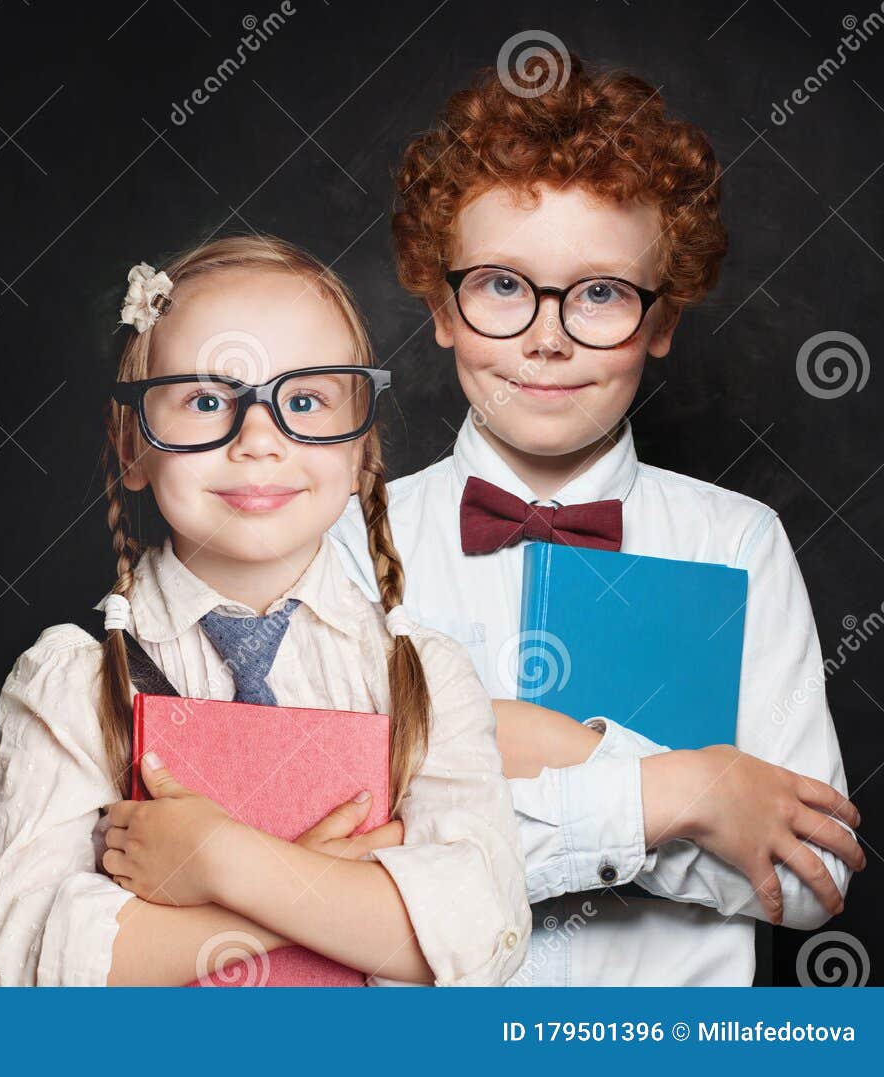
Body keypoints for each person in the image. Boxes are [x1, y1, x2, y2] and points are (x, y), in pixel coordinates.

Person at [329, 54, 864, 986]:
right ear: (439, 304)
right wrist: (685, 794)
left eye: (603, 293)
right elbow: (319, 859)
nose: (547, 335)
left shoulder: (737, 543)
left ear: (662, 321)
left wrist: (465, 820)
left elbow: (804, 876)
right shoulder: (338, 542)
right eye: (502, 284)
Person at [0, 235, 529, 986]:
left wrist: (221, 859)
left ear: (364, 446)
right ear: (133, 443)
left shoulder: (425, 676)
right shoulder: (70, 682)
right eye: (207, 401)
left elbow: (477, 938)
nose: (259, 441)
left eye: (305, 401)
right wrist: (313, 887)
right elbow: (28, 965)